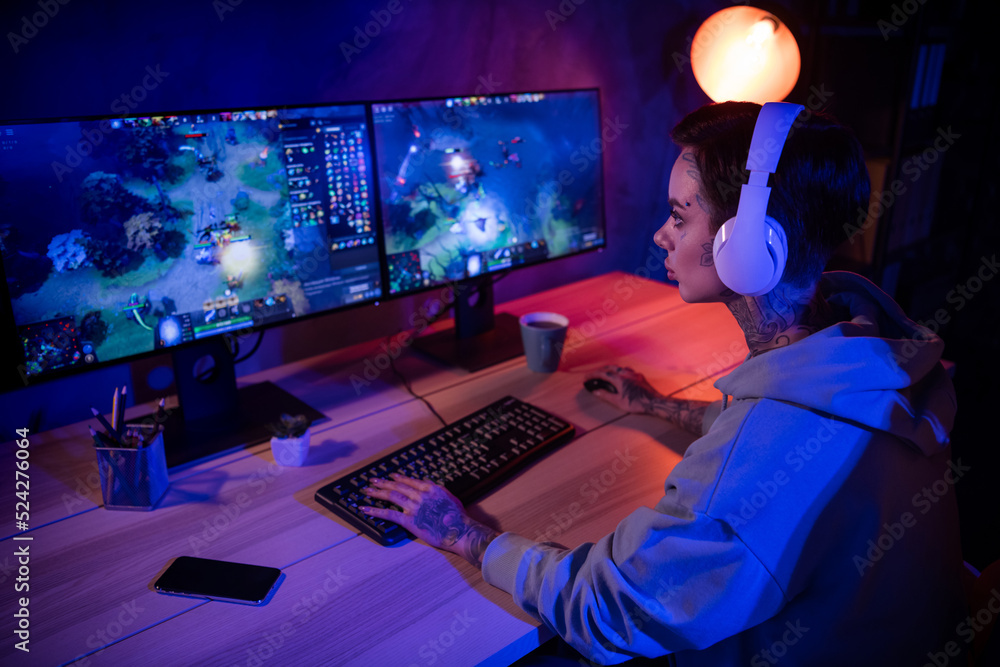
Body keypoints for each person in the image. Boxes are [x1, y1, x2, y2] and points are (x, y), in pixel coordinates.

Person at [362, 101, 967, 665]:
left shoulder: (765, 453)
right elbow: (775, 429)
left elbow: (610, 609)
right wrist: (658, 406)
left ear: (750, 245)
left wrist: (465, 535)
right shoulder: (869, 356)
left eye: (680, 214)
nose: (661, 234)